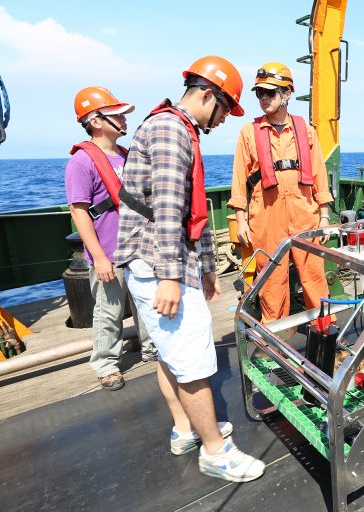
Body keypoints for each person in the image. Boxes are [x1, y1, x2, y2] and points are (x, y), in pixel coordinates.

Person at [114, 56, 265, 482]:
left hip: (169, 261)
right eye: (223, 110)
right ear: (206, 95)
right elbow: (166, 208)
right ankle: (216, 452)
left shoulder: (178, 129)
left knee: (170, 352)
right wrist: (170, 276)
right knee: (194, 361)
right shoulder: (169, 131)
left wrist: (207, 268)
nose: (221, 122)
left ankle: (187, 429)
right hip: (160, 265)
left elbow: (190, 212)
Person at [65, 86, 156, 391]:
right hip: (108, 251)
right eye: (116, 114)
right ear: (96, 121)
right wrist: (99, 258)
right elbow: (79, 212)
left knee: (147, 302)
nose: (123, 118)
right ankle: (105, 364)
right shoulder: (81, 162)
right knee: (109, 310)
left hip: (138, 247)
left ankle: (151, 349)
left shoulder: (125, 156)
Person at [228, 61, 333, 322]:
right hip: (266, 219)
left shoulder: (307, 132)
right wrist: (241, 220)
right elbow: (239, 179)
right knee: (272, 284)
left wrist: (324, 216)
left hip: (304, 216)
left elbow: (319, 174)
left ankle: (327, 335)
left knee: (315, 278)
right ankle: (274, 343)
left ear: (287, 94)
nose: (263, 98)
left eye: (270, 92)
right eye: (259, 93)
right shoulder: (248, 134)